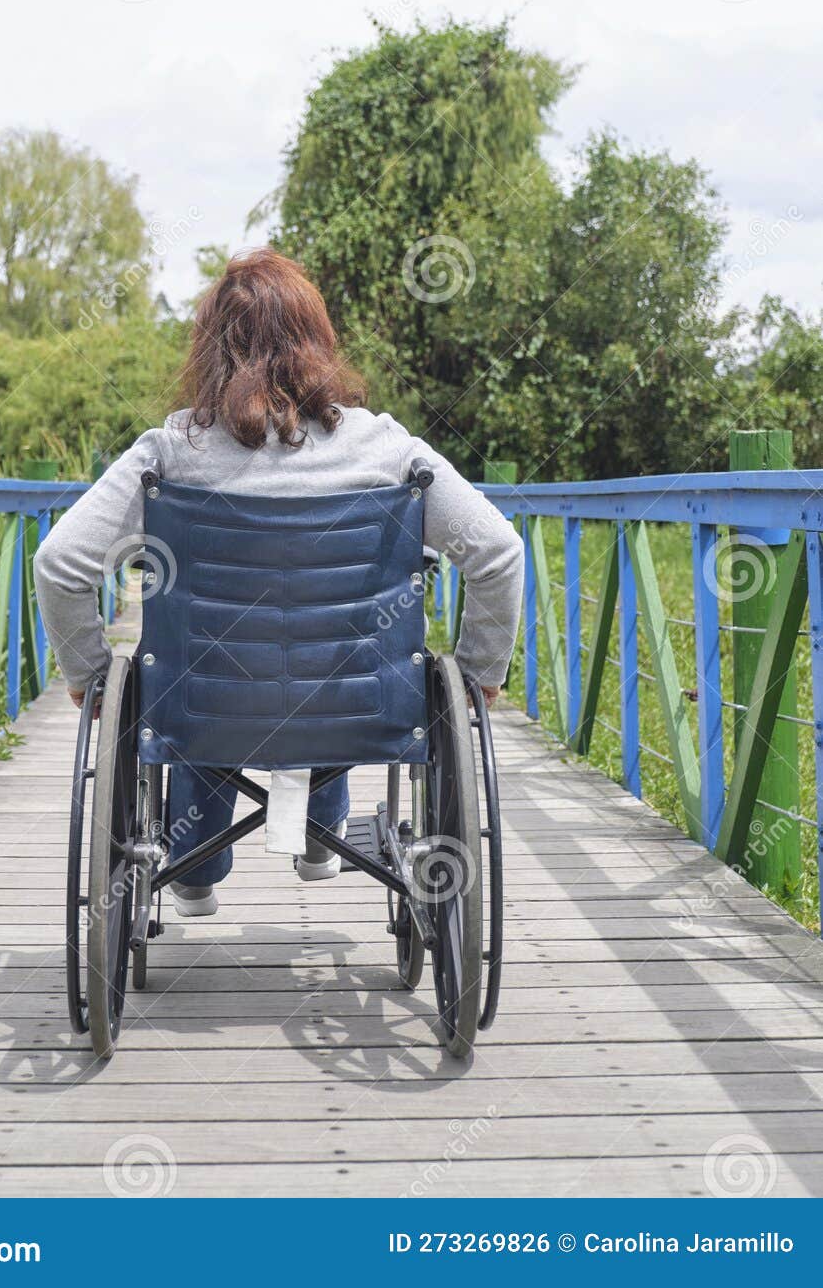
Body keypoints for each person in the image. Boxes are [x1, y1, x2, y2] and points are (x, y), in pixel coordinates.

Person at [34, 247, 524, 918]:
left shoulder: (170, 452)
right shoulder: (386, 449)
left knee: (208, 673)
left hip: (207, 706)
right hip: (358, 707)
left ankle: (195, 863)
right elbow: (498, 551)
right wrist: (477, 672)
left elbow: (61, 563)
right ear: (318, 343)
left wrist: (89, 675)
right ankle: (320, 832)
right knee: (331, 660)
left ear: (211, 349)